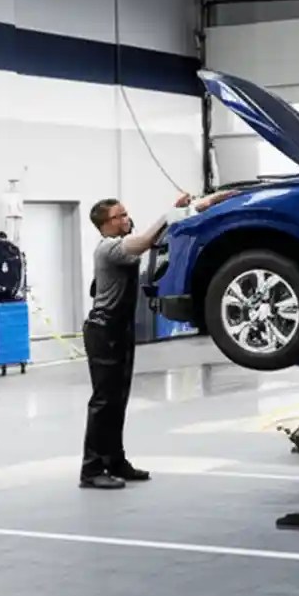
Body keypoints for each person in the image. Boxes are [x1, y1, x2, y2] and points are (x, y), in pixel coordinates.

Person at [79, 189, 237, 489]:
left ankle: (115, 461)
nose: (126, 219)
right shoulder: (109, 248)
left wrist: (213, 200)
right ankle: (91, 470)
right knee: (103, 401)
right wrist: (168, 213)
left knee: (118, 399)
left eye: (126, 213)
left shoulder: (123, 242)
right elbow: (148, 240)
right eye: (119, 216)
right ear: (105, 225)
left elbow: (167, 227)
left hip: (120, 329)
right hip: (103, 330)